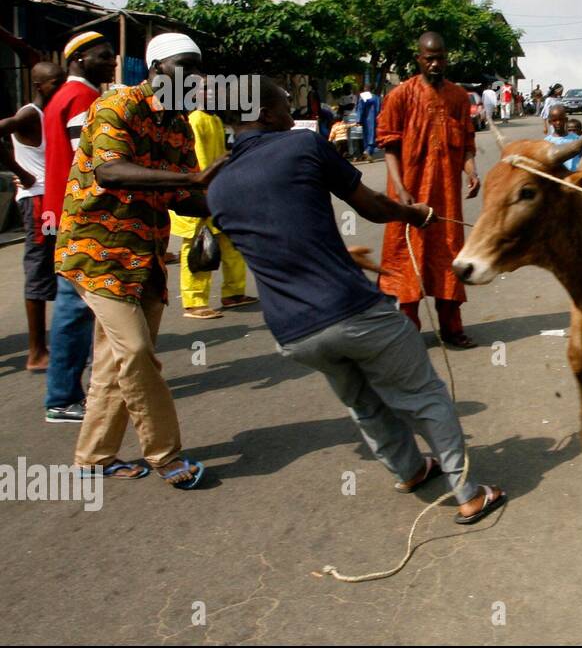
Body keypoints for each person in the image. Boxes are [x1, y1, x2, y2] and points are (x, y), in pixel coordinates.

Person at [204, 77, 505, 517]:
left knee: (362, 403)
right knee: (425, 395)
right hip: (351, 311)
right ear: (265, 114)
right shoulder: (302, 146)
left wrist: (341, 252)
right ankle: (469, 495)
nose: (294, 111)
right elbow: (370, 206)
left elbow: (275, 240)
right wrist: (414, 214)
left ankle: (410, 469)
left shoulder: (218, 186)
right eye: (285, 104)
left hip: (294, 333)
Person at [59, 32, 225, 489]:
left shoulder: (178, 125)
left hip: (146, 255)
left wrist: (231, 204)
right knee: (135, 352)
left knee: (117, 360)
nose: (195, 76)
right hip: (98, 252)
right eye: (183, 67)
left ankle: (93, 457)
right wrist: (193, 176)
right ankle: (165, 454)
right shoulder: (118, 106)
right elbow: (110, 171)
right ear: (155, 70)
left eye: (198, 67)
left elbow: (180, 195)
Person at [378, 31, 480, 347]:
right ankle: (407, 332)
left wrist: (471, 171)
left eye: (441, 58)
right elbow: (389, 145)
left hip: (446, 198)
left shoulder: (459, 98)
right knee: (405, 255)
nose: (436, 64)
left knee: (448, 253)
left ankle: (452, 328)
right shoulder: (401, 95)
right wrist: (400, 187)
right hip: (408, 195)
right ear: (419, 59)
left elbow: (466, 144)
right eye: (429, 58)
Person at [42, 31, 116, 423]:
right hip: (82, 217)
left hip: (62, 212)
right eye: (103, 56)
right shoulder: (82, 100)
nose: (111, 62)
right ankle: (63, 397)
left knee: (80, 307)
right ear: (79, 59)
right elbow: (91, 163)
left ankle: (80, 388)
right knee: (75, 309)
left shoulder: (62, 98)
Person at [0, 61, 66, 370]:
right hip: (37, 201)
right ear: (40, 85)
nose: (61, 88)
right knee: (39, 268)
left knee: (59, 265)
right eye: (56, 83)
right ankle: (36, 352)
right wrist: (20, 172)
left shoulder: (54, 114)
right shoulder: (30, 114)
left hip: (52, 200)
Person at [169, 107, 256, 320]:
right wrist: (205, 193)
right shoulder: (196, 119)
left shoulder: (215, 119)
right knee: (199, 249)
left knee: (231, 245)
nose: (211, 94)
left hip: (216, 191)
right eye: (205, 89)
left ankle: (234, 293)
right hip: (200, 196)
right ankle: (194, 303)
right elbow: (198, 163)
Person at [544, 105, 582, 171]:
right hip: (557, 178)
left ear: (566, 120)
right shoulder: (546, 142)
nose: (558, 122)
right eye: (554, 120)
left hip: (575, 175)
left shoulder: (577, 139)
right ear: (550, 122)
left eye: (561, 119)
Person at [355, 82, 381, 159]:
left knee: (366, 134)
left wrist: (358, 119)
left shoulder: (363, 96)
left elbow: (360, 108)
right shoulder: (376, 97)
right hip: (374, 119)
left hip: (366, 119)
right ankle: (369, 151)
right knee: (372, 134)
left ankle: (367, 151)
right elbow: (379, 109)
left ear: (366, 88)